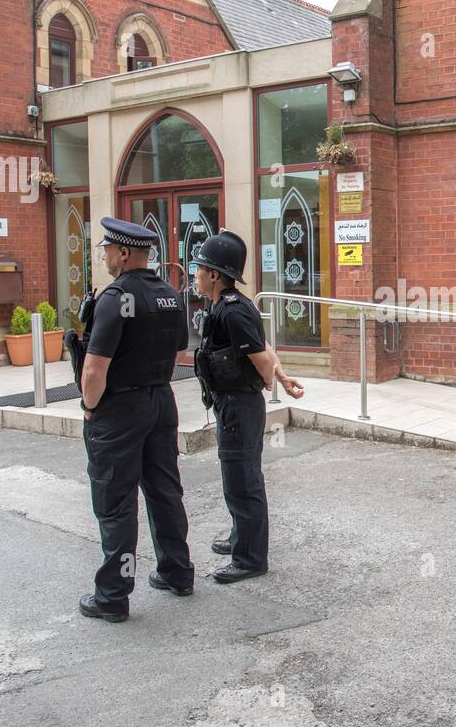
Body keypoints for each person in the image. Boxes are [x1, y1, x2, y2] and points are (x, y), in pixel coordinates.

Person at [77, 217, 193, 622]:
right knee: (164, 490)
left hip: (120, 409)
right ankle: (177, 571)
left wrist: (90, 407)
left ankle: (112, 596)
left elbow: (94, 371)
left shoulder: (115, 297)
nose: (105, 256)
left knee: (116, 501)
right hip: (161, 400)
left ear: (124, 253)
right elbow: (179, 351)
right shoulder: (170, 295)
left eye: (107, 249)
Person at [190, 229, 304, 584]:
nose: (195, 275)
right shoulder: (230, 306)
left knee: (243, 482)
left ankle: (251, 558)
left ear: (213, 275)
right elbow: (264, 344)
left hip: (239, 404)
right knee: (237, 478)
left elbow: (260, 356)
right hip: (234, 404)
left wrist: (272, 378)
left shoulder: (233, 311)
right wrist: (284, 379)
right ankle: (241, 538)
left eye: (199, 269)